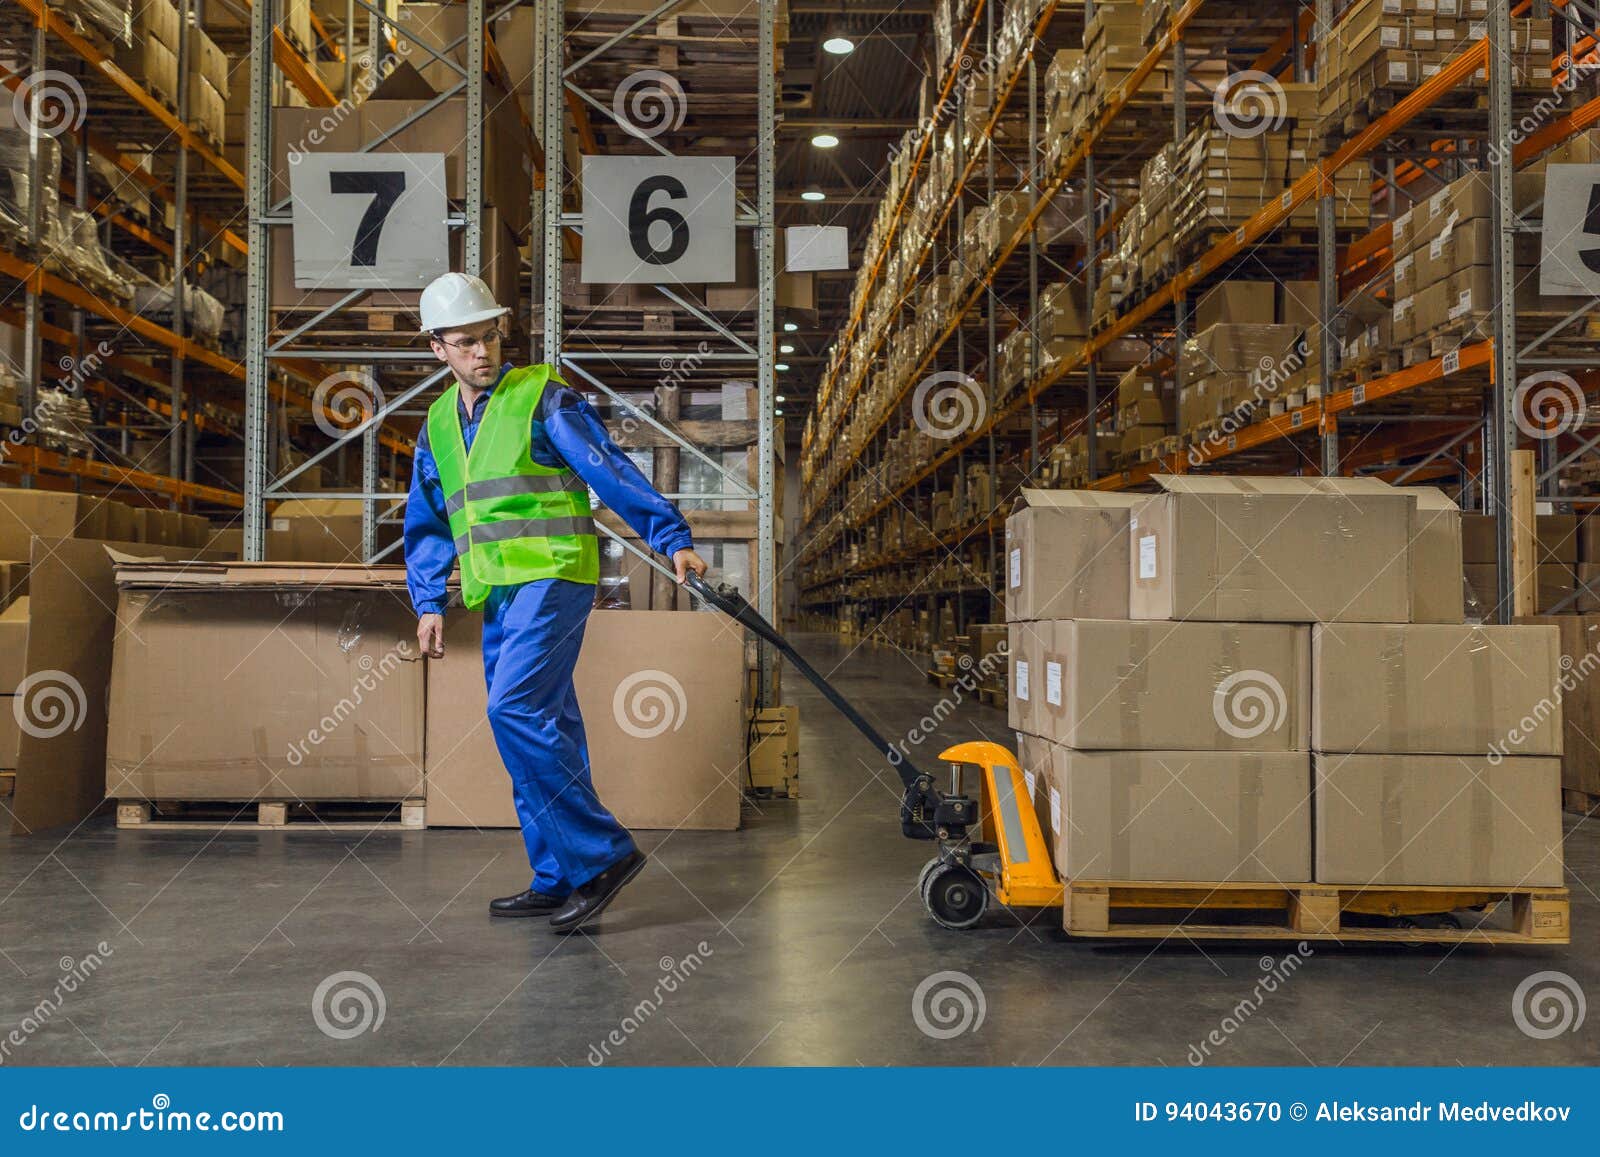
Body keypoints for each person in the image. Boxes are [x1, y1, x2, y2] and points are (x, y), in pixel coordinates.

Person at [403, 272, 708, 932]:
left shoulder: (542, 396)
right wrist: (429, 600)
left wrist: (669, 534)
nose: (481, 352)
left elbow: (607, 468)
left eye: (489, 335)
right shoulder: (434, 426)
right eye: (464, 342)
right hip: (495, 591)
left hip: (555, 576)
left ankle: (601, 857)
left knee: (513, 708)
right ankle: (557, 871)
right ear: (437, 349)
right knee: (542, 725)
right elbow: (427, 518)